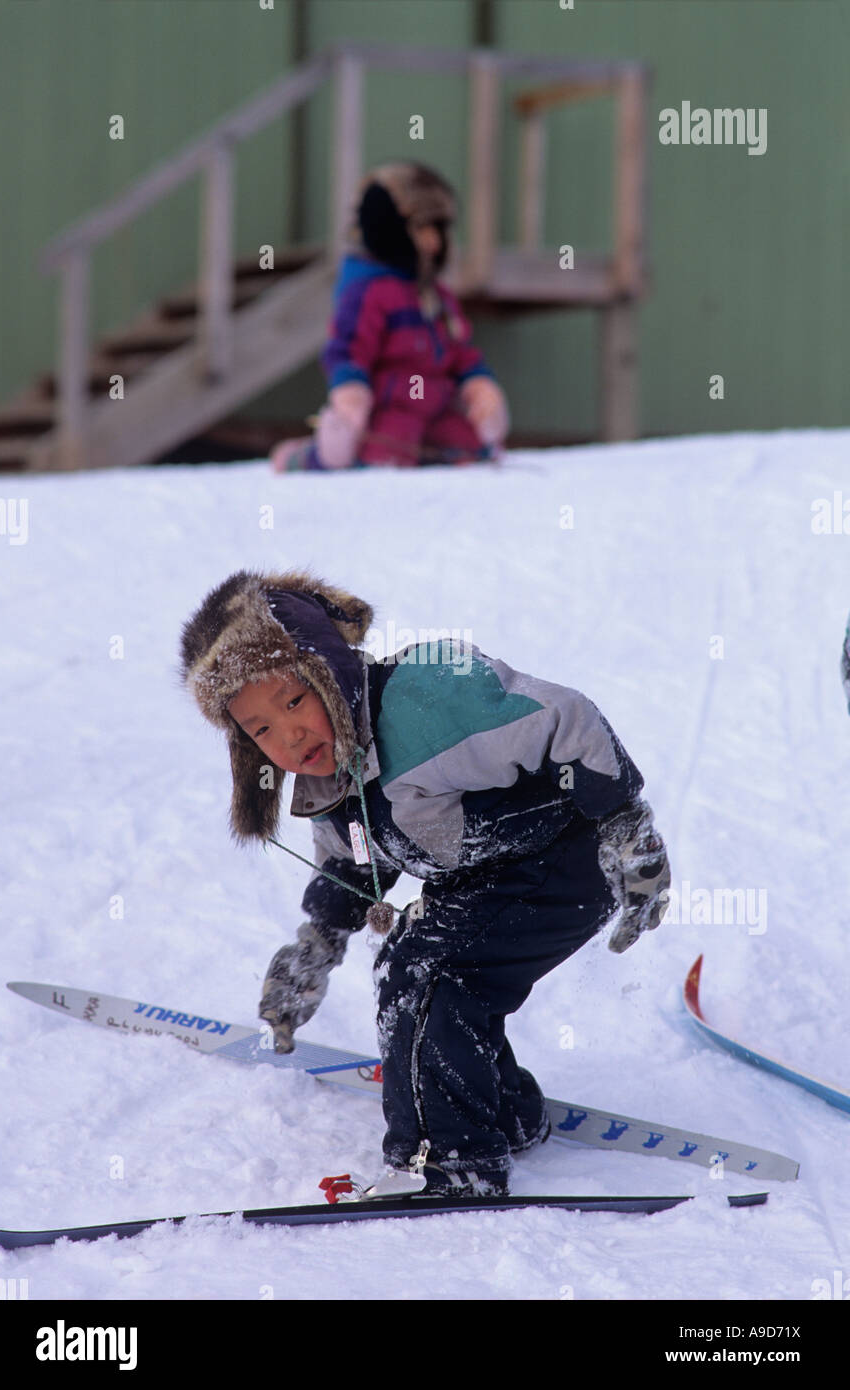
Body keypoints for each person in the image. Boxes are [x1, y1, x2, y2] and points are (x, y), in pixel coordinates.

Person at [180, 568, 671, 1198]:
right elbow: (357, 862)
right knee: (412, 967)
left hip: (568, 858)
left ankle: (452, 1156)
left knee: (434, 976)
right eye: (260, 729)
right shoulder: (333, 776)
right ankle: (498, 1114)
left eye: (294, 701)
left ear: (327, 672)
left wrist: (628, 828)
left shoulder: (429, 698)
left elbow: (564, 719)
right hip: (481, 878)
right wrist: (317, 947)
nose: (289, 734)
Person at [270, 162, 509, 473]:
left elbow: (460, 351)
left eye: (440, 230)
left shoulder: (435, 296)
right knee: (383, 454)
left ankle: (430, 452)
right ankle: (309, 457)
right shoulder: (369, 293)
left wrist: (479, 386)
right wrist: (351, 397)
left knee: (472, 450)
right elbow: (348, 349)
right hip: (391, 408)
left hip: (436, 405)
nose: (435, 241)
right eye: (425, 229)